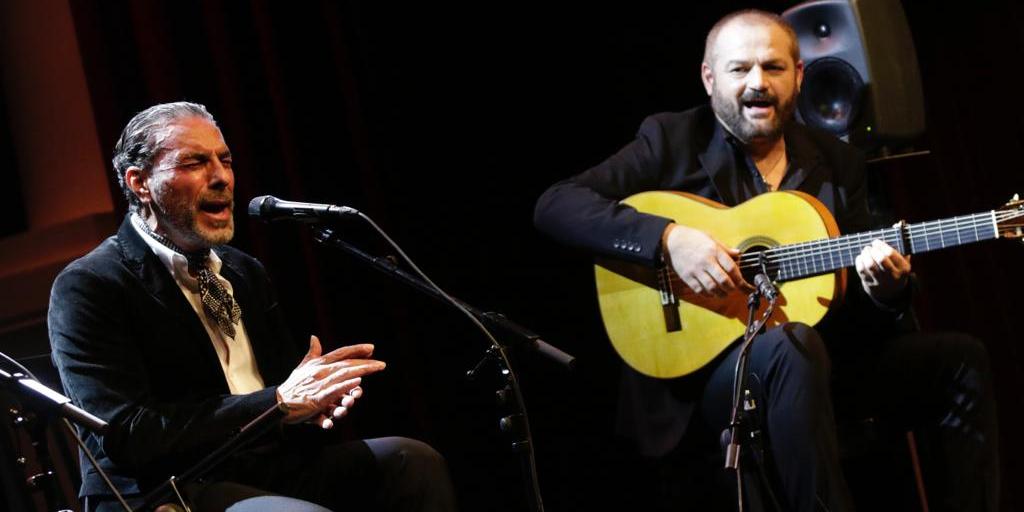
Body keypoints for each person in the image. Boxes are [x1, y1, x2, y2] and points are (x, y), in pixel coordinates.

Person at [534, 9, 998, 512]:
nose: (758, 83)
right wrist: (668, 239)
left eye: (774, 68)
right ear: (709, 78)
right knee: (792, 346)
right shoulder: (670, 140)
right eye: (739, 69)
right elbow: (556, 206)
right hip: (702, 383)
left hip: (828, 363)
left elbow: (855, 306)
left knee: (959, 358)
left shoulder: (837, 161)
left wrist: (886, 293)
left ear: (799, 76)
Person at [48, 102, 457, 512]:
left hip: (264, 469)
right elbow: (128, 434)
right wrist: (275, 403)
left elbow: (277, 394)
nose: (222, 177)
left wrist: (310, 404)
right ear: (140, 183)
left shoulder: (244, 271)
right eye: (195, 162)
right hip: (170, 488)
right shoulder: (91, 284)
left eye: (225, 160)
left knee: (412, 462)